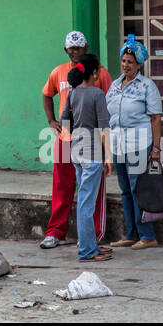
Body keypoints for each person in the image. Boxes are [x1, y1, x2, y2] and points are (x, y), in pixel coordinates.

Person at [40, 29, 113, 249]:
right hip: (65, 138)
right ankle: (56, 232)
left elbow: (107, 104)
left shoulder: (100, 73)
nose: (74, 52)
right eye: (71, 48)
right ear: (65, 50)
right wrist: (52, 122)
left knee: (91, 189)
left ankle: (93, 234)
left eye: (78, 48)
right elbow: (46, 94)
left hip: (91, 140)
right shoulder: (59, 72)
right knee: (62, 185)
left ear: (86, 48)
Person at [106, 35, 163, 250]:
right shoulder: (114, 85)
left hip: (139, 144)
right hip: (118, 144)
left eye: (130, 62)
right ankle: (131, 233)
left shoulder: (147, 86)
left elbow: (156, 118)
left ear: (139, 64)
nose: (125, 65)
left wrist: (156, 148)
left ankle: (147, 236)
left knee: (138, 188)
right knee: (125, 190)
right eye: (123, 61)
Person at [60, 53, 113, 263]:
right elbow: (104, 128)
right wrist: (108, 157)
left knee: (84, 201)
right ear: (94, 72)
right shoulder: (97, 94)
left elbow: (65, 120)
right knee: (86, 203)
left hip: (76, 151)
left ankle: (90, 246)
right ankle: (87, 251)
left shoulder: (73, 93)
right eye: (99, 69)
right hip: (92, 153)